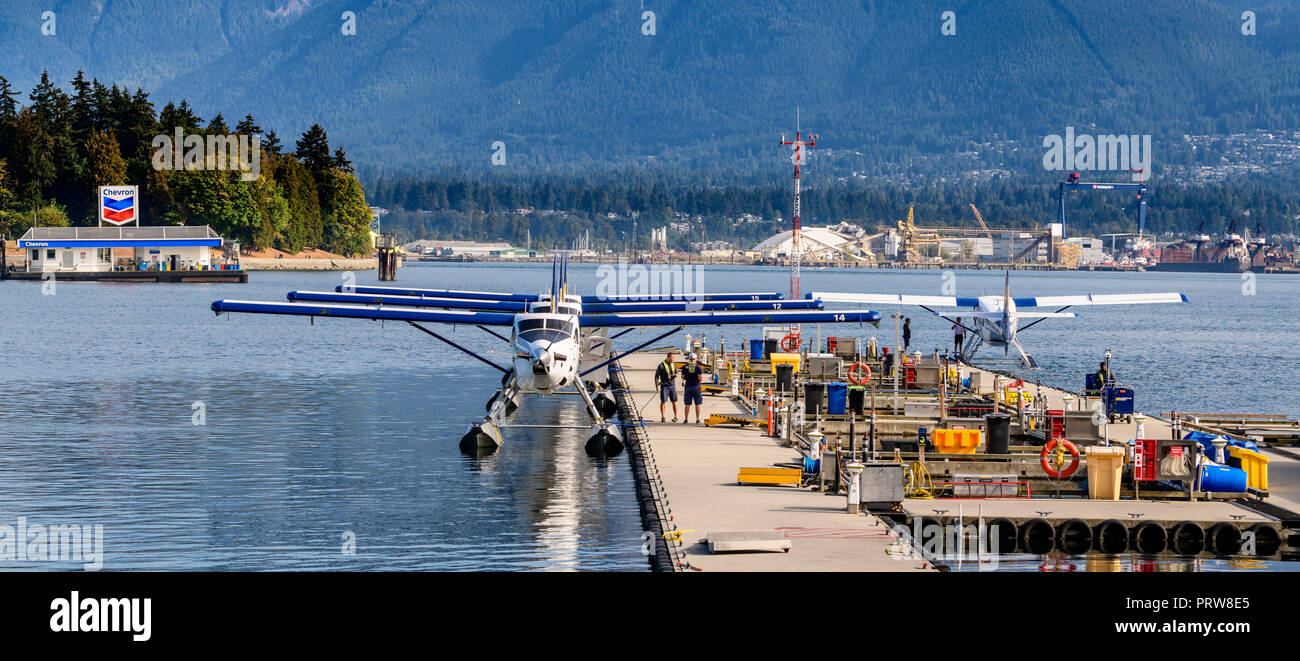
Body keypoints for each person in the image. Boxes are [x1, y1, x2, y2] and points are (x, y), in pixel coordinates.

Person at [680, 352, 705, 424]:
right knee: (697, 403)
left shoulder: (685, 367)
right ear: (695, 359)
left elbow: (682, 377)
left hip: (688, 386)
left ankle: (686, 419)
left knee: (687, 404)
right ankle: (697, 419)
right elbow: (700, 379)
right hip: (696, 386)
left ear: (689, 359)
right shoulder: (698, 367)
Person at [655, 351, 679, 422]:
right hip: (664, 386)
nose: (673, 359)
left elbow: (676, 371)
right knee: (663, 401)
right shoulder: (661, 365)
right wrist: (656, 385)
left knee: (674, 401)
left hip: (672, 386)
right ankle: (663, 417)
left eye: (673, 358)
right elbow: (656, 376)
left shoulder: (673, 365)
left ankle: (675, 417)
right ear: (668, 357)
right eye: (672, 358)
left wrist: (676, 374)